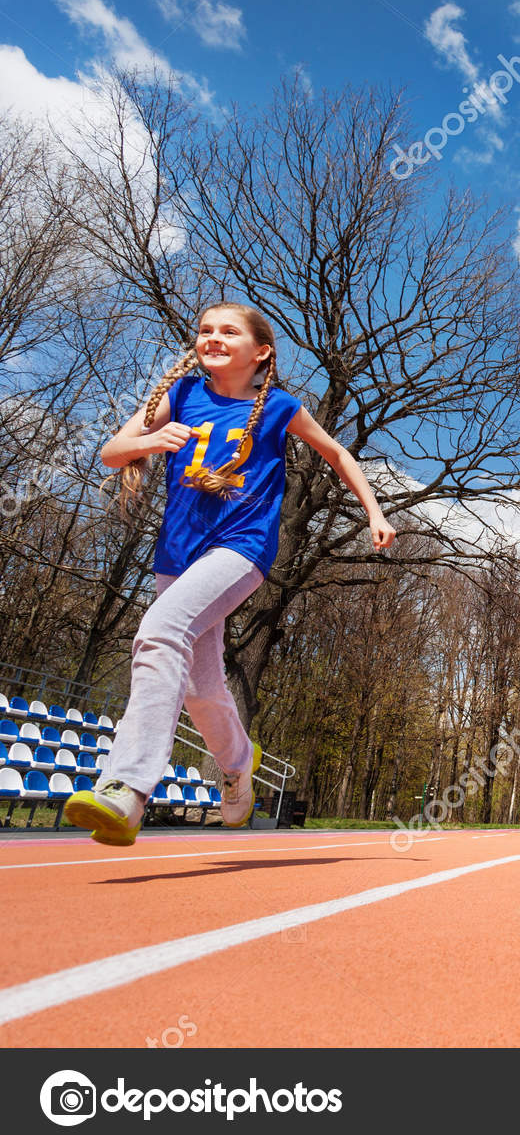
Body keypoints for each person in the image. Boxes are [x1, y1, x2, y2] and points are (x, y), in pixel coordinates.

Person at [65, 302, 395, 845]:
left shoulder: (280, 408)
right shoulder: (182, 395)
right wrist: (151, 441)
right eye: (204, 330)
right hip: (177, 553)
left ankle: (126, 788)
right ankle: (239, 761)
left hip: (241, 549)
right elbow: (112, 451)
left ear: (260, 351)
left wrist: (375, 512)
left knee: (157, 633)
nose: (211, 337)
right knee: (200, 684)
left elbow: (338, 454)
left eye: (228, 331)